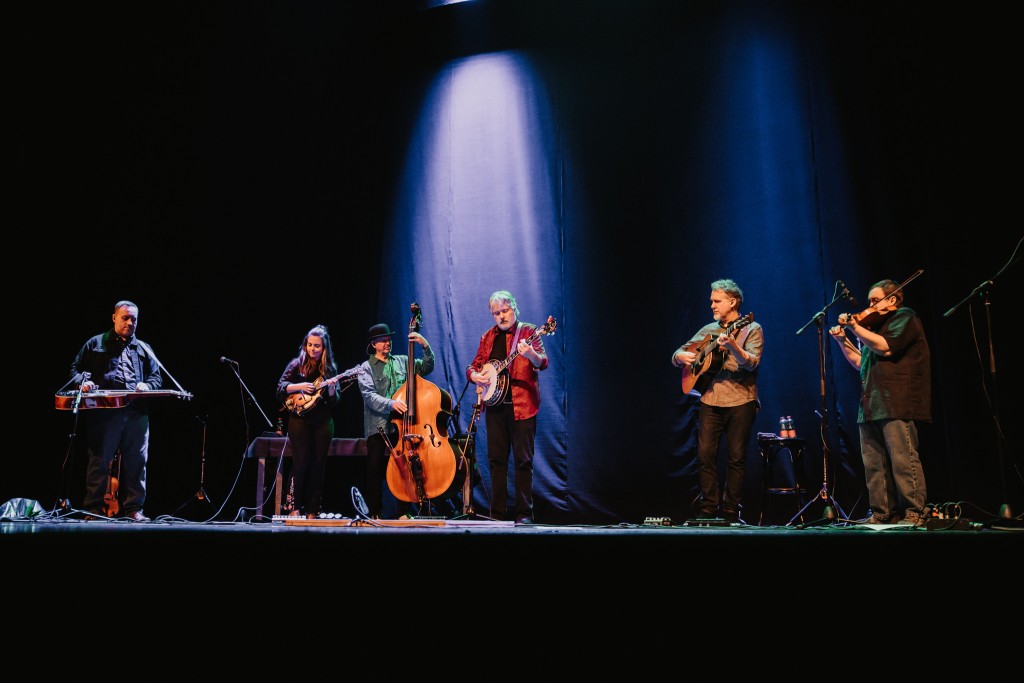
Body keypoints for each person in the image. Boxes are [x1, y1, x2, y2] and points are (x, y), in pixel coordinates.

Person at [828, 279, 931, 525]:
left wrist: (854, 327)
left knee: (902, 459)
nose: (870, 306)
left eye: (875, 300)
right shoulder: (872, 327)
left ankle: (914, 511)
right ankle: (882, 512)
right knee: (874, 463)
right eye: (869, 302)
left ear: (892, 299)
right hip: (871, 402)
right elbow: (859, 361)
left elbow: (886, 348)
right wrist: (843, 341)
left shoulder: (905, 317)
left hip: (897, 399)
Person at [671, 279, 762, 523]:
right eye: (711, 300)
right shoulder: (708, 329)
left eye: (716, 301)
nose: (711, 304)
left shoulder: (751, 327)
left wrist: (733, 346)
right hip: (711, 399)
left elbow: (751, 362)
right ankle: (709, 508)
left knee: (736, 457)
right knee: (705, 455)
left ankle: (731, 509)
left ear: (733, 302)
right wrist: (680, 356)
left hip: (740, 399)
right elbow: (677, 354)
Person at [70, 300, 163, 522]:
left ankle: (133, 509)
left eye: (134, 319)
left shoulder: (144, 348)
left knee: (136, 461)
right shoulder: (96, 343)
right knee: (100, 460)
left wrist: (147, 386)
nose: (130, 323)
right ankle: (94, 508)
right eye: (125, 318)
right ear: (114, 318)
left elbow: (156, 377)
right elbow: (75, 369)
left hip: (136, 412)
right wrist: (82, 384)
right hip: (105, 412)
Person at [467, 290, 549, 524]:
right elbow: (473, 367)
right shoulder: (487, 337)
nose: (501, 316)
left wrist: (530, 353)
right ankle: (497, 515)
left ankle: (524, 514)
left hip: (522, 406)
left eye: (505, 310)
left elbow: (543, 362)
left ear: (514, 308)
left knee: (523, 461)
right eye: (496, 313)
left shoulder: (529, 332)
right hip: (495, 408)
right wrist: (475, 377)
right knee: (496, 461)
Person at [357, 322, 436, 519]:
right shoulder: (365, 368)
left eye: (388, 339)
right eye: (383, 340)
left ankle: (404, 512)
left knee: (404, 469)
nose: (387, 343)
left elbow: (427, 366)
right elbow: (369, 396)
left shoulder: (402, 361)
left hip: (402, 427)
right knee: (375, 469)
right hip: (379, 426)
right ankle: (375, 512)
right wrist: (391, 404)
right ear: (374, 344)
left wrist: (425, 346)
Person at [275, 324, 342, 519]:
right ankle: (294, 507)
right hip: (299, 420)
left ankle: (313, 510)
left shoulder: (330, 369)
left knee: (318, 465)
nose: (312, 349)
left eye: (317, 346)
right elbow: (280, 388)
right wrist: (299, 386)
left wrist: (331, 389)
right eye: (310, 345)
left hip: (323, 422)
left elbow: (335, 401)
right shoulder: (297, 364)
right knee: (300, 462)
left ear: (324, 348)